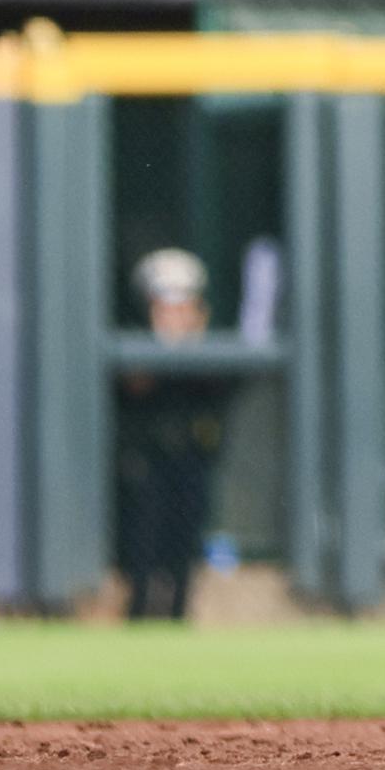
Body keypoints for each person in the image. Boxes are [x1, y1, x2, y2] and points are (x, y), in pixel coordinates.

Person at [113, 249, 234, 623]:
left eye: (183, 305)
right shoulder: (132, 342)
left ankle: (179, 612)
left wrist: (190, 342)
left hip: (191, 459)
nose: (174, 314)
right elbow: (134, 386)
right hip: (144, 462)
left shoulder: (207, 349)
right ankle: (138, 612)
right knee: (142, 545)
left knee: (184, 544)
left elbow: (219, 389)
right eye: (164, 305)